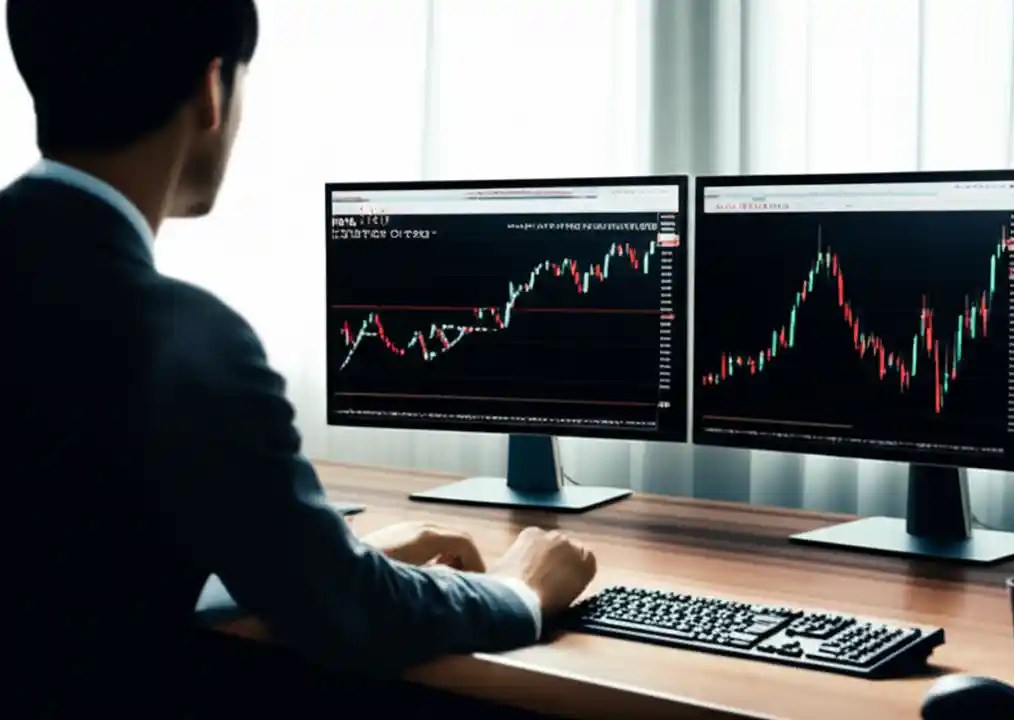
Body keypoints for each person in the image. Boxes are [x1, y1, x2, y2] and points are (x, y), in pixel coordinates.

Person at [2, 1, 596, 714]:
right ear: (212, 90)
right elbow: (349, 617)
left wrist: (316, 558)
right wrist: (519, 588)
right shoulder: (187, 342)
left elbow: (58, 570)